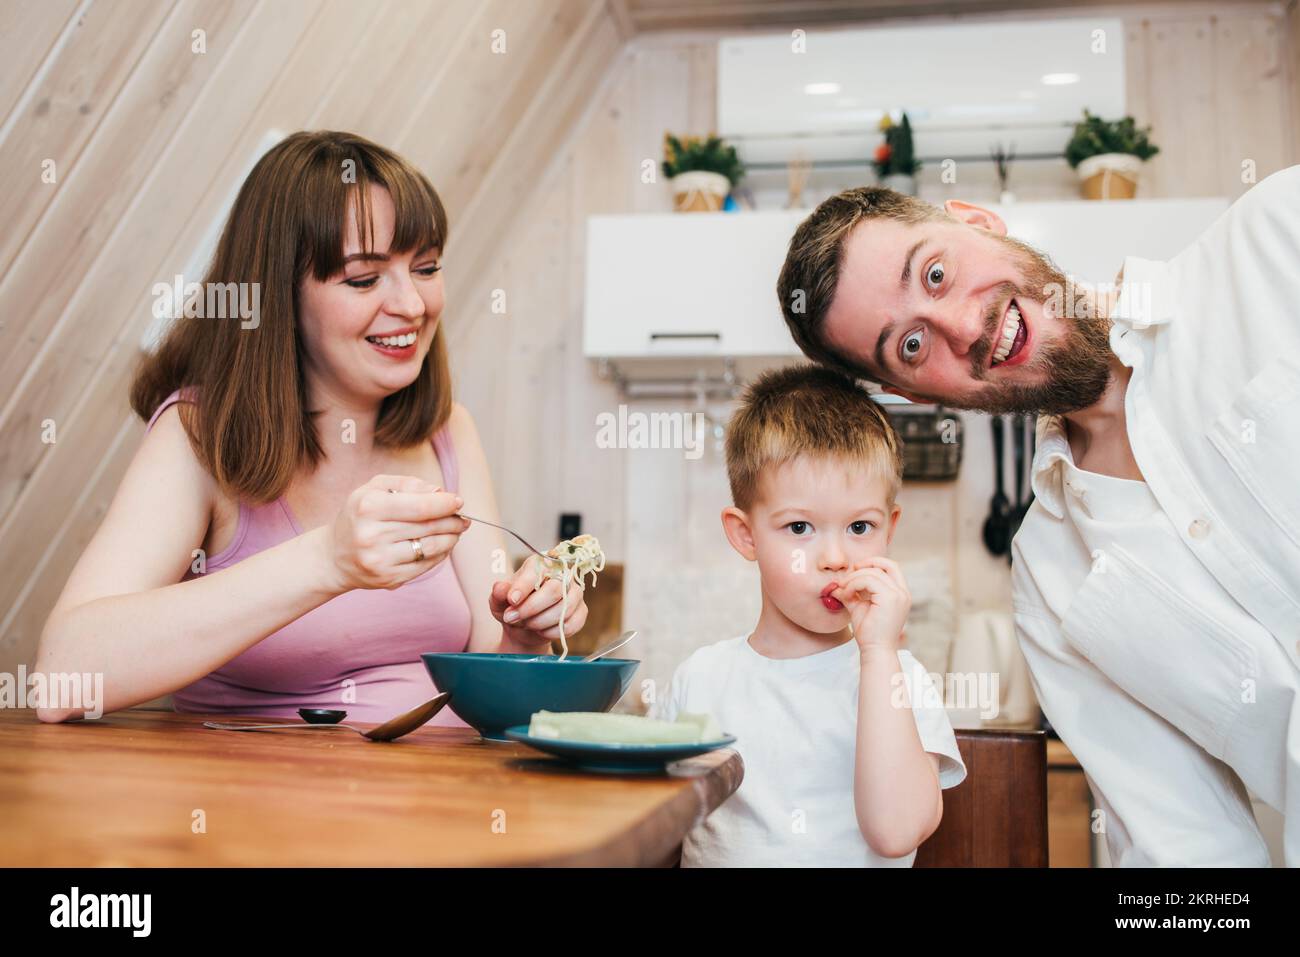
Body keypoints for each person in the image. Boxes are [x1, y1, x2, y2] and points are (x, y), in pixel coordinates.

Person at [776, 166, 1300, 865]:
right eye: (910, 345)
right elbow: (1185, 851)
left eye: (934, 273)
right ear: (915, 395)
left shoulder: (1276, 236)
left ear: (977, 219)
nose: (964, 326)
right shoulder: (1052, 581)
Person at [34, 131, 589, 724]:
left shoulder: (449, 432)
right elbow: (62, 680)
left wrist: (526, 636)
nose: (413, 304)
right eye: (363, 279)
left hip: (440, 800)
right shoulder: (197, 436)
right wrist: (328, 560)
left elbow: (489, 668)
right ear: (280, 297)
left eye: (425, 267)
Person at [652, 364, 966, 866]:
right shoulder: (700, 680)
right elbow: (650, 838)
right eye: (800, 527)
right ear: (745, 535)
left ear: (891, 528)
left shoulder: (898, 679)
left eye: (861, 526)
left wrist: (880, 653)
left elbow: (895, 832)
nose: (836, 557)